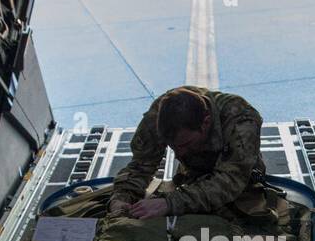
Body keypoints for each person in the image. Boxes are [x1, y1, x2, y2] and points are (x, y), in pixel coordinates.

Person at [108, 85, 265, 219]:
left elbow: (231, 181)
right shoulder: (159, 116)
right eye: (173, 147)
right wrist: (122, 198)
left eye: (186, 144)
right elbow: (141, 166)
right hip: (192, 178)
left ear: (206, 123)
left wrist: (170, 204)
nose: (179, 154)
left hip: (241, 181)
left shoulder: (241, 121)